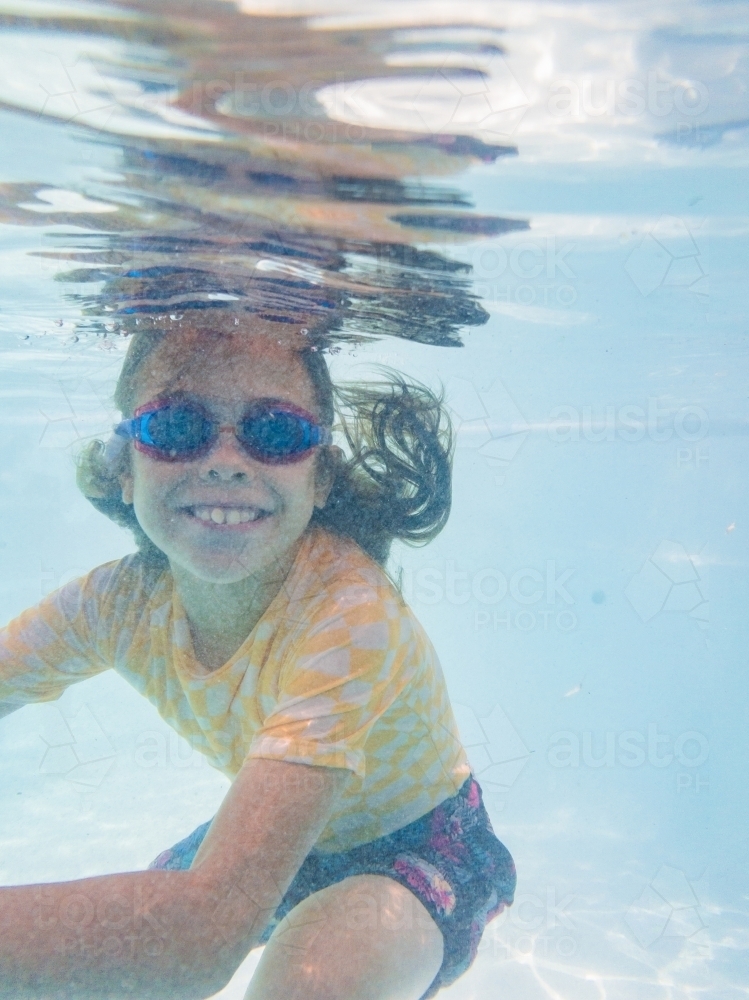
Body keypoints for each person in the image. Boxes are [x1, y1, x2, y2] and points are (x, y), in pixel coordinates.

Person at [0, 318, 516, 1000]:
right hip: (287, 835)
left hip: (421, 843)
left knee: (305, 987)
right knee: (104, 972)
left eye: (274, 432)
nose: (225, 459)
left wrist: (195, 921)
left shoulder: (350, 616)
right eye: (177, 426)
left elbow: (195, 940)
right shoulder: (113, 604)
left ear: (321, 476)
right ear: (122, 467)